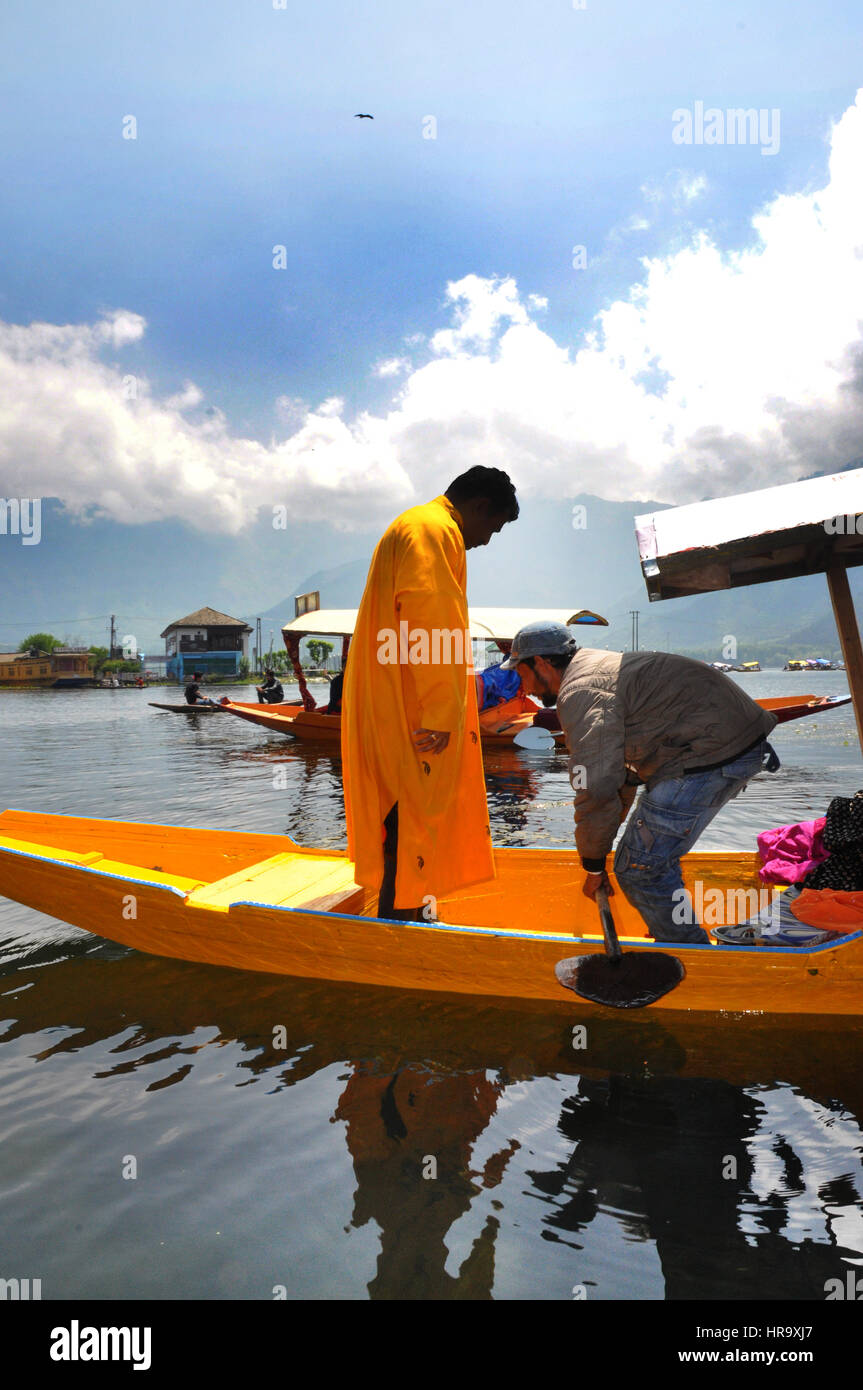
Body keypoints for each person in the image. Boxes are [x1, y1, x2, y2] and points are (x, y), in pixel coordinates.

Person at [501, 622, 780, 944]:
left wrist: (593, 863)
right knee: (649, 859)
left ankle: (687, 949)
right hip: (724, 748)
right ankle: (674, 932)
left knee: (639, 867)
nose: (525, 689)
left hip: (707, 755)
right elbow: (619, 778)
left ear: (541, 663)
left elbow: (594, 784)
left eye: (521, 674)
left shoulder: (581, 690)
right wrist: (596, 861)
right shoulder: (594, 669)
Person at [343, 466, 519, 920]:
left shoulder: (413, 524)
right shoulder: (435, 531)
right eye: (493, 528)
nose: (486, 540)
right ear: (478, 508)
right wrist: (442, 715)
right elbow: (431, 621)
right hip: (412, 716)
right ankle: (401, 932)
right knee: (410, 825)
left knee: (400, 822)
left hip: (391, 704)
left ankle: (401, 917)